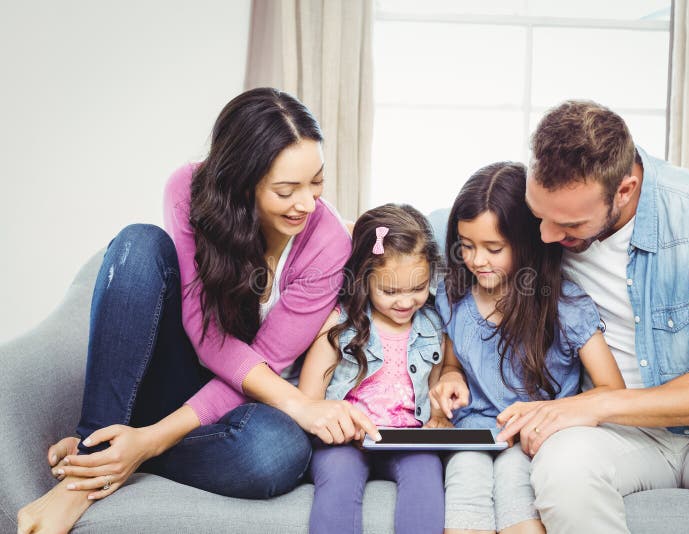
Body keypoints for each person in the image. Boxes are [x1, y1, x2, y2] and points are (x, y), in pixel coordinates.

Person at [17, 87, 380, 534]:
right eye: (287, 190)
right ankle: (93, 459)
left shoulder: (327, 244)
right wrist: (301, 406)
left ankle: (126, 451)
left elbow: (263, 363)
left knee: (278, 451)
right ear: (243, 181)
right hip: (169, 374)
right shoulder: (188, 190)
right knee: (139, 244)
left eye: (317, 181)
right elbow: (206, 335)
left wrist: (149, 441)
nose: (307, 203)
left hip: (240, 402)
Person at [496, 100, 689, 533]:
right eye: (538, 214)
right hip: (619, 435)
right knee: (563, 470)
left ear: (624, 189)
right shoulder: (545, 221)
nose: (545, 235)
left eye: (571, 225)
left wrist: (597, 402)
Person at [428, 161, 625, 534]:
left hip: (535, 439)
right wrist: (449, 379)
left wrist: (548, 414)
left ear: (528, 243)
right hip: (472, 433)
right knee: (465, 491)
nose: (477, 260)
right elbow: (452, 364)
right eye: (466, 246)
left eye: (493, 248)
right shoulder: (455, 298)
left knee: (515, 487)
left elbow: (612, 390)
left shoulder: (564, 305)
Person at [298, 203, 446, 534]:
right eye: (391, 291)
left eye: (418, 288)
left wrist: (439, 420)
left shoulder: (434, 326)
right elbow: (308, 399)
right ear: (365, 279)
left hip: (408, 442)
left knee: (426, 473)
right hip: (346, 442)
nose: (406, 302)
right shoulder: (339, 324)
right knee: (338, 477)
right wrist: (338, 424)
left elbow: (436, 397)